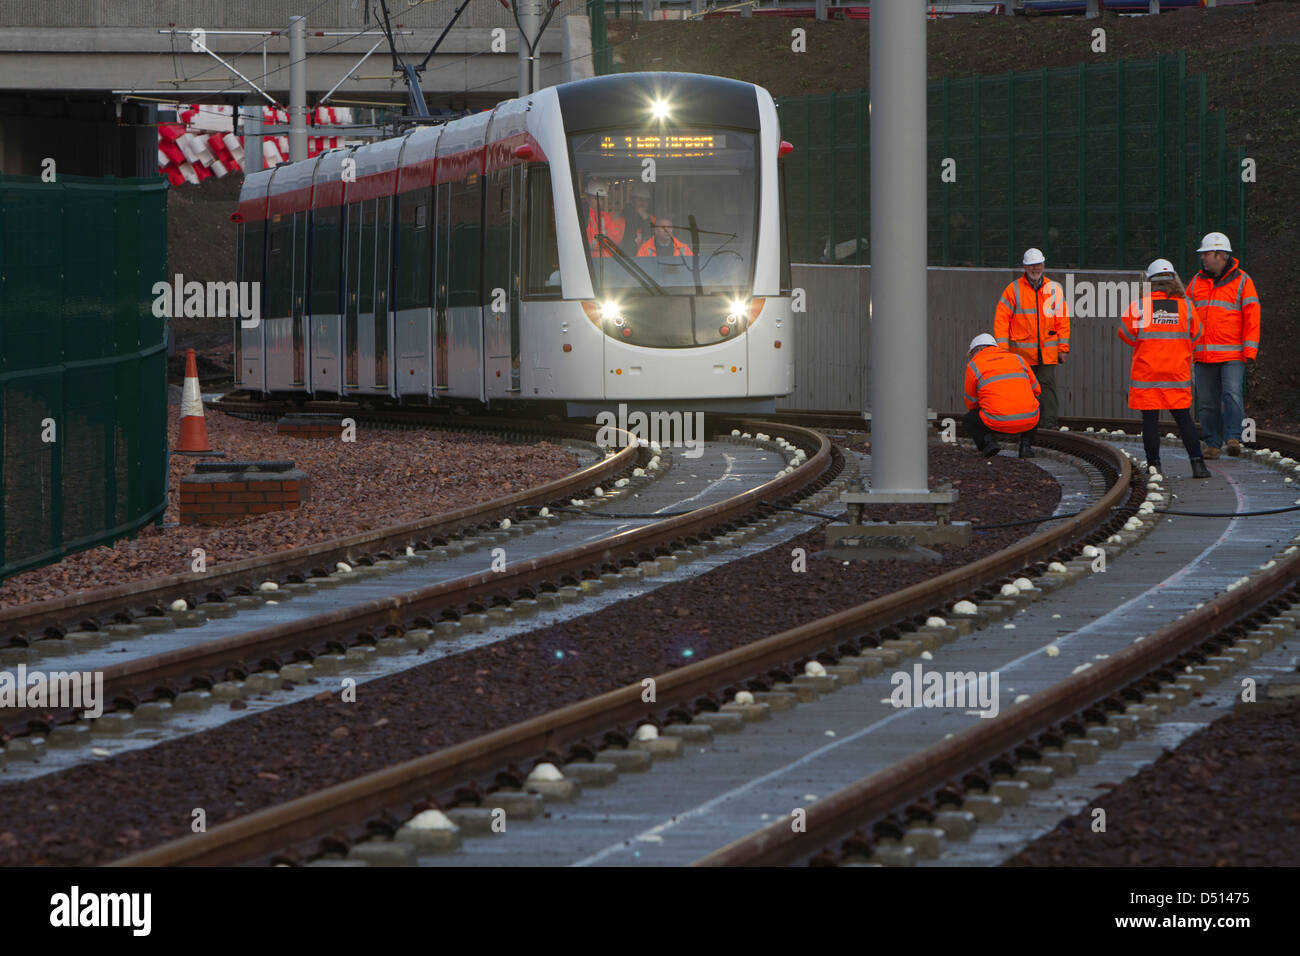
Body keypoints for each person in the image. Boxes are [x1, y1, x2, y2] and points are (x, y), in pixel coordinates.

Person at [1118, 259, 1210, 479]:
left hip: (1147, 375)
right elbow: (1197, 335)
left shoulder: (1140, 306)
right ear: (1173, 280)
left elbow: (1126, 333)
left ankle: (1154, 467)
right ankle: (1198, 465)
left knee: (1150, 421)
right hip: (1176, 375)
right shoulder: (1186, 306)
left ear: (1150, 282)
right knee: (1184, 419)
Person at [1187, 232, 1259, 459]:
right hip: (1203, 355)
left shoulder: (1243, 281)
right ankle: (1212, 444)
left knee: (1232, 396)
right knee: (1207, 403)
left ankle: (1233, 438)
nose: (1203, 258)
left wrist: (1250, 350)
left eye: (1207, 254)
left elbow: (1252, 316)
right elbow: (1186, 316)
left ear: (1221, 255)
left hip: (1233, 354)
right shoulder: (1195, 283)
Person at [994, 247, 1071, 446]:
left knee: (1047, 387)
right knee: (1025, 392)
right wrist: (1003, 351)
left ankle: (1049, 427)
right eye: (1031, 265)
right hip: (1021, 354)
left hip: (1047, 352)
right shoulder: (1013, 290)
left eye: (1038, 264)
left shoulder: (1054, 289)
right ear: (1025, 267)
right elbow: (1001, 321)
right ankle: (1026, 429)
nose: (1035, 268)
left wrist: (1063, 349)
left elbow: (1062, 320)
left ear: (1043, 265)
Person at [963, 333, 1041, 458]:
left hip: (995, 422)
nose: (971, 358)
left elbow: (971, 401)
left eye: (971, 354)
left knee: (969, 419)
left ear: (977, 350)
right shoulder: (1018, 359)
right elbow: (1036, 390)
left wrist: (986, 406)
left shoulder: (974, 365)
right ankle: (1026, 446)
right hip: (1028, 420)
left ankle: (988, 444)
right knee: (1037, 403)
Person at [580, 177, 624, 257]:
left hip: (607, 261)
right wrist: (605, 242)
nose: (599, 202)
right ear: (587, 198)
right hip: (590, 262)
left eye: (602, 199)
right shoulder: (582, 216)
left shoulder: (605, 216)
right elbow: (585, 242)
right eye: (595, 198)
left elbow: (616, 239)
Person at [620, 183, 655, 256]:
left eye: (646, 200)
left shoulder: (652, 220)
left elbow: (652, 239)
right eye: (640, 199)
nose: (643, 203)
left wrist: (646, 219)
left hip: (647, 259)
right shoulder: (624, 218)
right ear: (632, 201)